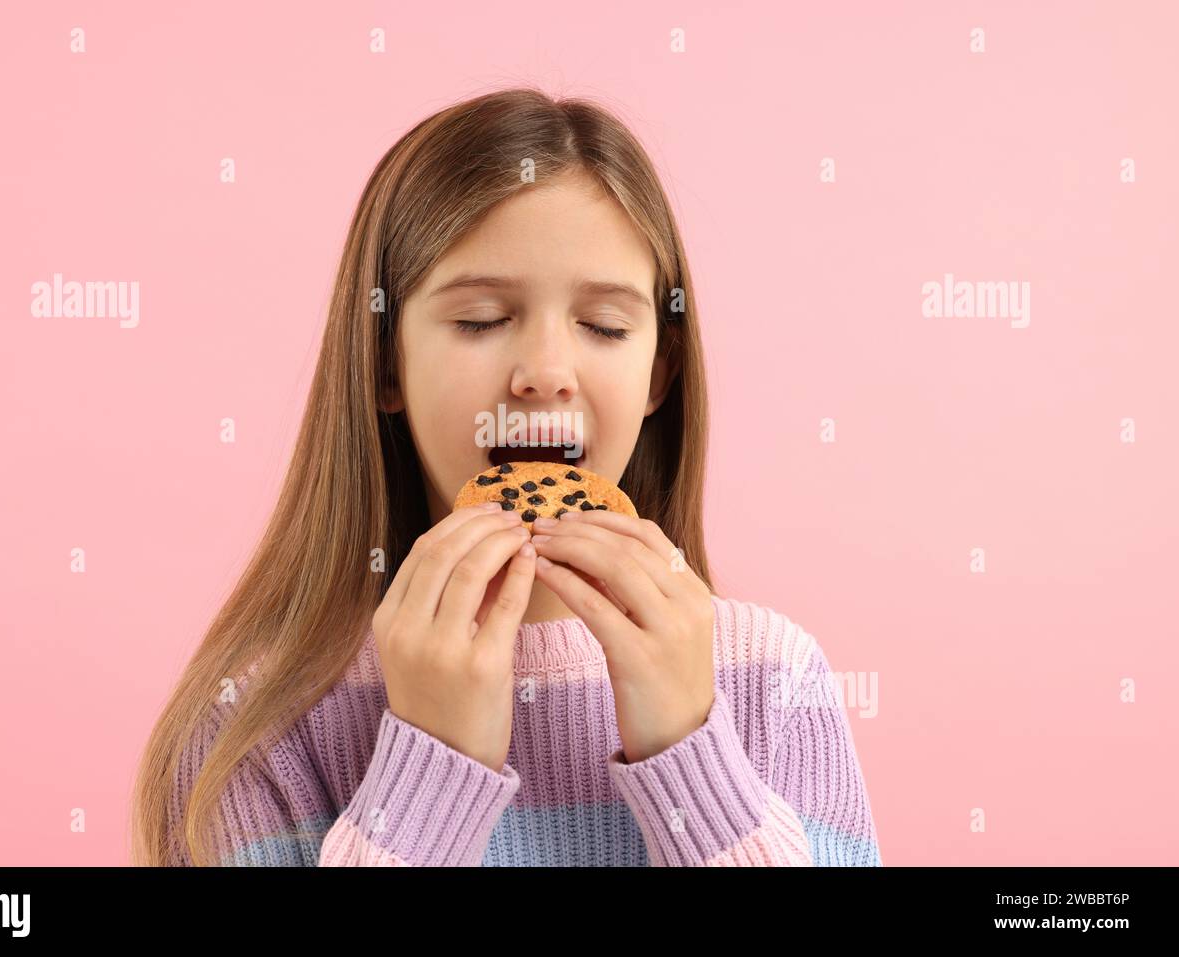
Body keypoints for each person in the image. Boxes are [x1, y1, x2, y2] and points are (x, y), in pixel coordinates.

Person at [130, 87, 882, 867]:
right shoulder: (255, 725)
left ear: (658, 373)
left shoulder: (773, 679)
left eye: (605, 326)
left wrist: (692, 755)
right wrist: (428, 772)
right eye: (482, 319)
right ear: (386, 362)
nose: (546, 372)